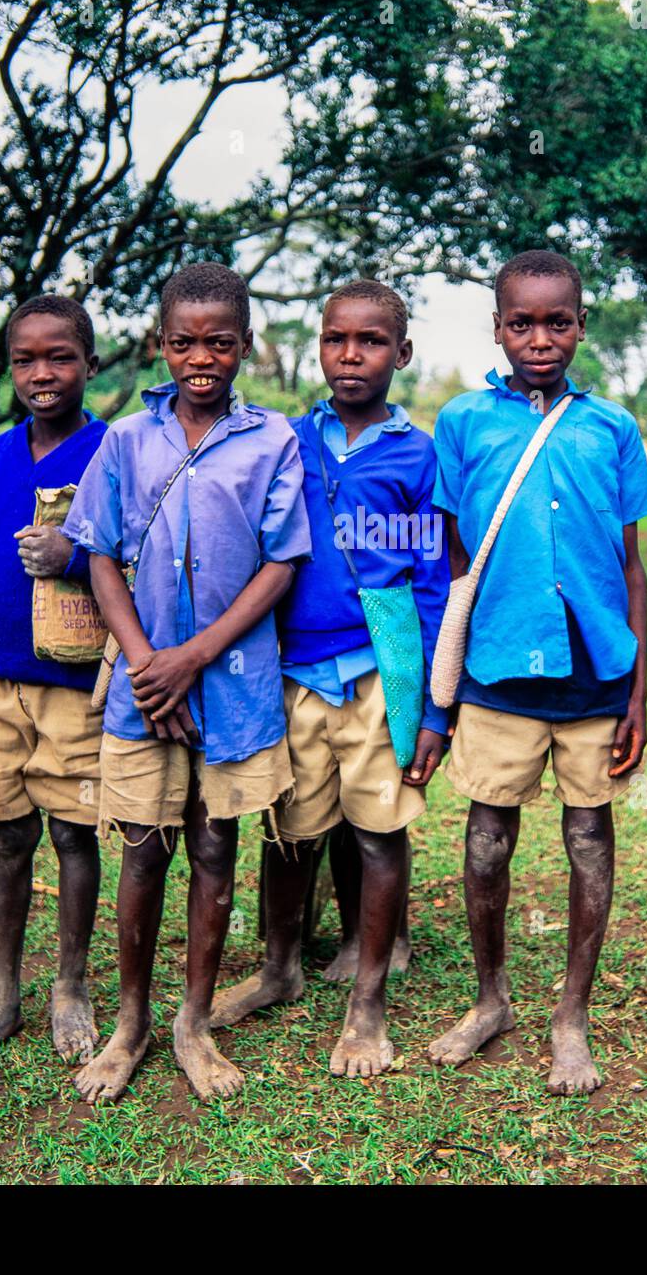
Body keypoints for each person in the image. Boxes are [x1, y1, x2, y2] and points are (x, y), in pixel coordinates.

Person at [62, 261, 309, 1103]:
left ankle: (192, 1022)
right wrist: (145, 660)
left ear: (246, 346)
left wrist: (194, 655)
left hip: (232, 685)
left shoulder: (272, 440)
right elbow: (94, 552)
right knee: (142, 848)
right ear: (159, 345)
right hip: (144, 686)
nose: (200, 358)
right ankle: (130, 1024)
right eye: (182, 342)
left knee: (214, 846)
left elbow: (281, 565)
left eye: (219, 343)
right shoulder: (127, 441)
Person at [427, 249, 647, 1095]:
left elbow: (633, 570)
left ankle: (572, 1014)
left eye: (557, 321)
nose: (539, 337)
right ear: (497, 327)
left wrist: (638, 689)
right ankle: (491, 999)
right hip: (496, 673)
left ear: (581, 326)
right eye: (521, 322)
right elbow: (454, 551)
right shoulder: (463, 422)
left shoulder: (613, 429)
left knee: (588, 836)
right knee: (488, 838)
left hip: (596, 678)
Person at [211, 279, 448, 1076]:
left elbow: (430, 580)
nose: (352, 355)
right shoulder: (286, 440)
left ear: (401, 353)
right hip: (293, 671)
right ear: (318, 345)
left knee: (380, 832)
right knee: (288, 833)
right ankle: (279, 967)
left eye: (372, 342)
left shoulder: (418, 454)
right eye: (337, 339)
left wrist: (431, 708)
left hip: (381, 675)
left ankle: (369, 1004)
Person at [0, 294, 105, 1068]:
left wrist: (71, 555)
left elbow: (131, 561)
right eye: (25, 360)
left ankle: (70, 985)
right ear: (9, 369)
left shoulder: (116, 452)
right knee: (9, 839)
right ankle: (1, 997)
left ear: (90, 364)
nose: (43, 373)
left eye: (60, 357)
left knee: (73, 834)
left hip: (74, 686)